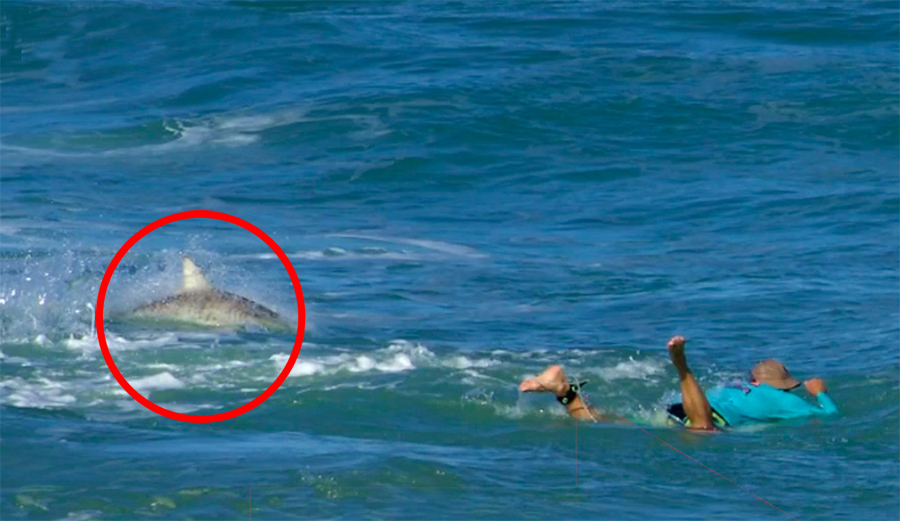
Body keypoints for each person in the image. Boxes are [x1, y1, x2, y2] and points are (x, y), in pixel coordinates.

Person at [518, 335, 838, 430]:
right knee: (702, 433)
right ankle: (682, 367)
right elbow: (830, 415)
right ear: (787, 385)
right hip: (704, 415)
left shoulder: (733, 386)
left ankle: (563, 391)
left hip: (678, 408)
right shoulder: (788, 401)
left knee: (603, 420)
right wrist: (820, 393)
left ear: (753, 379)